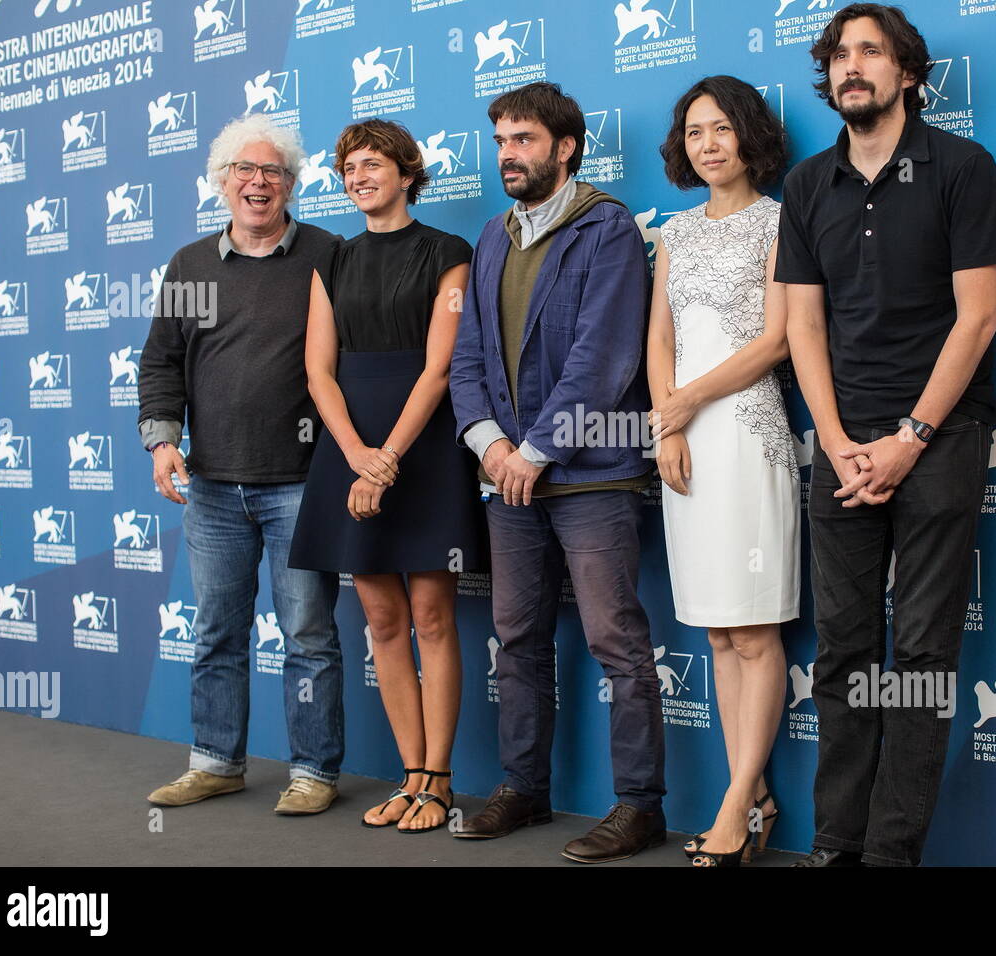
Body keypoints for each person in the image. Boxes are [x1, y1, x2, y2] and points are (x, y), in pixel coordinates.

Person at [776, 3, 996, 866]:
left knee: (919, 652)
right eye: (840, 54)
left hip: (941, 439)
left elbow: (979, 319)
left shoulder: (961, 167)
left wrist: (912, 436)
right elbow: (802, 329)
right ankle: (835, 846)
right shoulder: (809, 185)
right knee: (843, 652)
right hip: (843, 445)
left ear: (909, 74)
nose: (852, 66)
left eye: (871, 52)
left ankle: (891, 854)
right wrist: (837, 439)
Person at [449, 81, 666, 863]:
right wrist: (490, 447)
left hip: (591, 475)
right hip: (505, 475)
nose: (508, 153)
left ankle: (640, 806)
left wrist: (533, 453)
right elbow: (466, 357)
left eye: (524, 139)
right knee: (517, 638)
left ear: (565, 147)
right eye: (501, 139)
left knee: (616, 641)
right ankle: (525, 790)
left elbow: (602, 360)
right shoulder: (490, 236)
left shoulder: (605, 228)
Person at [140, 113, 345, 815]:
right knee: (216, 632)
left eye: (274, 172)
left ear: (292, 183)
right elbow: (161, 362)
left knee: (310, 636)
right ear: (222, 183)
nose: (259, 183)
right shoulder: (191, 266)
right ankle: (216, 761)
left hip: (302, 482)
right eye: (245, 172)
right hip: (213, 487)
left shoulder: (328, 254)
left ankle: (315, 771)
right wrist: (164, 441)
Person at [287, 119, 482, 833]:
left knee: (432, 616)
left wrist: (389, 457)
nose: (359, 176)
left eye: (374, 164)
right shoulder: (330, 261)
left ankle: (440, 779)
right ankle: (409, 776)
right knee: (380, 617)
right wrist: (355, 452)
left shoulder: (449, 253)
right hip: (349, 444)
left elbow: (438, 368)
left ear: (408, 174)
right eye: (348, 168)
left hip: (423, 446)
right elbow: (318, 368)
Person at [647, 75, 797, 868]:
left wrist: (685, 406)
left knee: (754, 625)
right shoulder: (673, 231)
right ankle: (756, 792)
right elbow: (659, 339)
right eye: (695, 131)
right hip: (686, 445)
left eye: (722, 129)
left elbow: (777, 340)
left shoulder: (783, 221)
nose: (708, 144)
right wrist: (665, 425)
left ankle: (735, 804)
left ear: (750, 138)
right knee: (715, 628)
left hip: (746, 432)